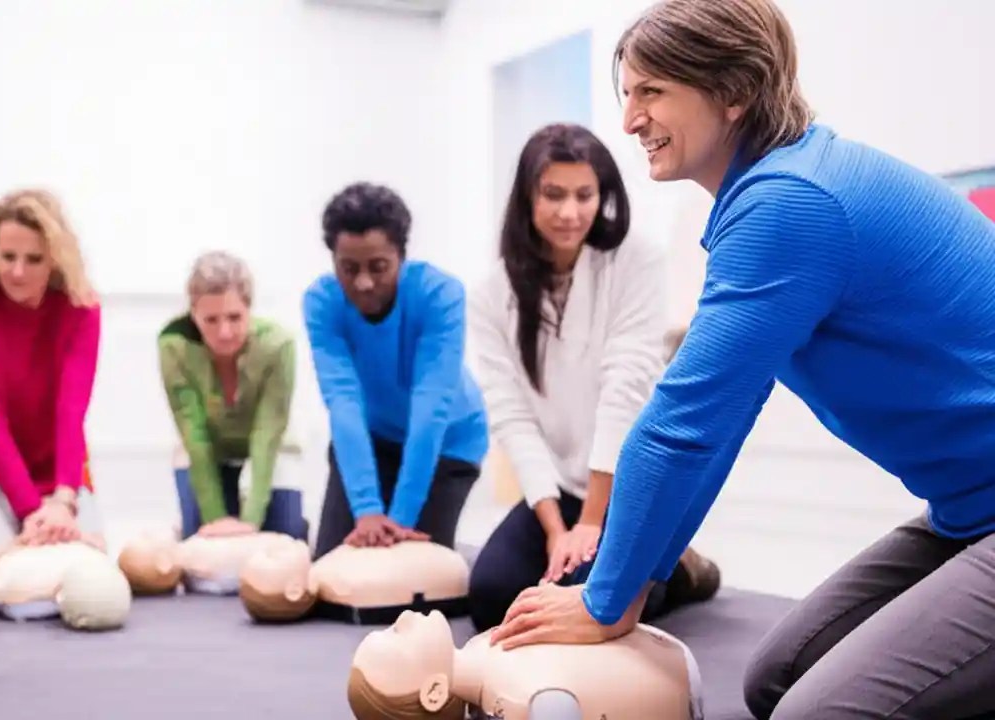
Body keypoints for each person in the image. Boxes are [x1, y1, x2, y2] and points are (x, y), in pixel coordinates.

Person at [488, 1, 995, 718]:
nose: (630, 120)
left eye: (652, 92)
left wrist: (603, 600)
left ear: (734, 91)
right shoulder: (777, 190)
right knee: (776, 679)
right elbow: (720, 422)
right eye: (627, 94)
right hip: (969, 511)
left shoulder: (792, 204)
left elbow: (682, 425)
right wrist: (626, 590)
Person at [466, 123, 720, 633]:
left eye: (585, 195)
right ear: (526, 198)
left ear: (603, 194)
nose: (570, 212)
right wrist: (558, 529)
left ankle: (681, 566)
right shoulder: (491, 292)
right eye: (553, 194)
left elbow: (623, 391)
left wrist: (591, 523)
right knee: (493, 597)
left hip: (628, 482)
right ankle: (648, 557)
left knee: (582, 593)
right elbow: (513, 419)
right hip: (561, 487)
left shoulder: (635, 259)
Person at [0, 188, 106, 601]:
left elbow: (71, 410)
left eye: (34, 259)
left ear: (55, 259)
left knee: (93, 582)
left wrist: (63, 503)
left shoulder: (81, 309)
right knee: (11, 590)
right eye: (8, 256)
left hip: (59, 469)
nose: (17, 271)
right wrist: (32, 511)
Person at [304, 182, 488, 559]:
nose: (364, 283)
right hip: (373, 439)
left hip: (448, 444)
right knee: (333, 569)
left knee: (412, 574)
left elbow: (430, 408)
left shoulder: (440, 295)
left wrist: (400, 518)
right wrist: (368, 510)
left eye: (379, 267)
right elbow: (343, 403)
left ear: (402, 257)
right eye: (348, 268)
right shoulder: (322, 302)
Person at [158, 250, 307, 541]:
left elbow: (267, 434)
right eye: (210, 320)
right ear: (193, 315)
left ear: (250, 310)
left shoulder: (278, 346)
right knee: (201, 542)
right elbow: (194, 434)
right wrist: (216, 521)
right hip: (207, 450)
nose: (224, 332)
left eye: (235, 317)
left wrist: (249, 521)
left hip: (272, 449)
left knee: (285, 537)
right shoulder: (173, 346)